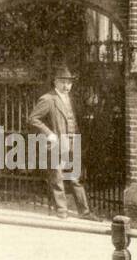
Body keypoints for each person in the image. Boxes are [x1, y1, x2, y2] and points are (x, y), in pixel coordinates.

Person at [27, 64, 94, 219]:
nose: (66, 86)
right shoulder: (48, 99)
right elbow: (33, 119)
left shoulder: (72, 99)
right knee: (57, 177)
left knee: (76, 177)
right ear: (55, 82)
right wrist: (49, 133)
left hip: (72, 142)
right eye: (63, 82)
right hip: (57, 143)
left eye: (69, 82)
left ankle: (84, 212)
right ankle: (62, 211)